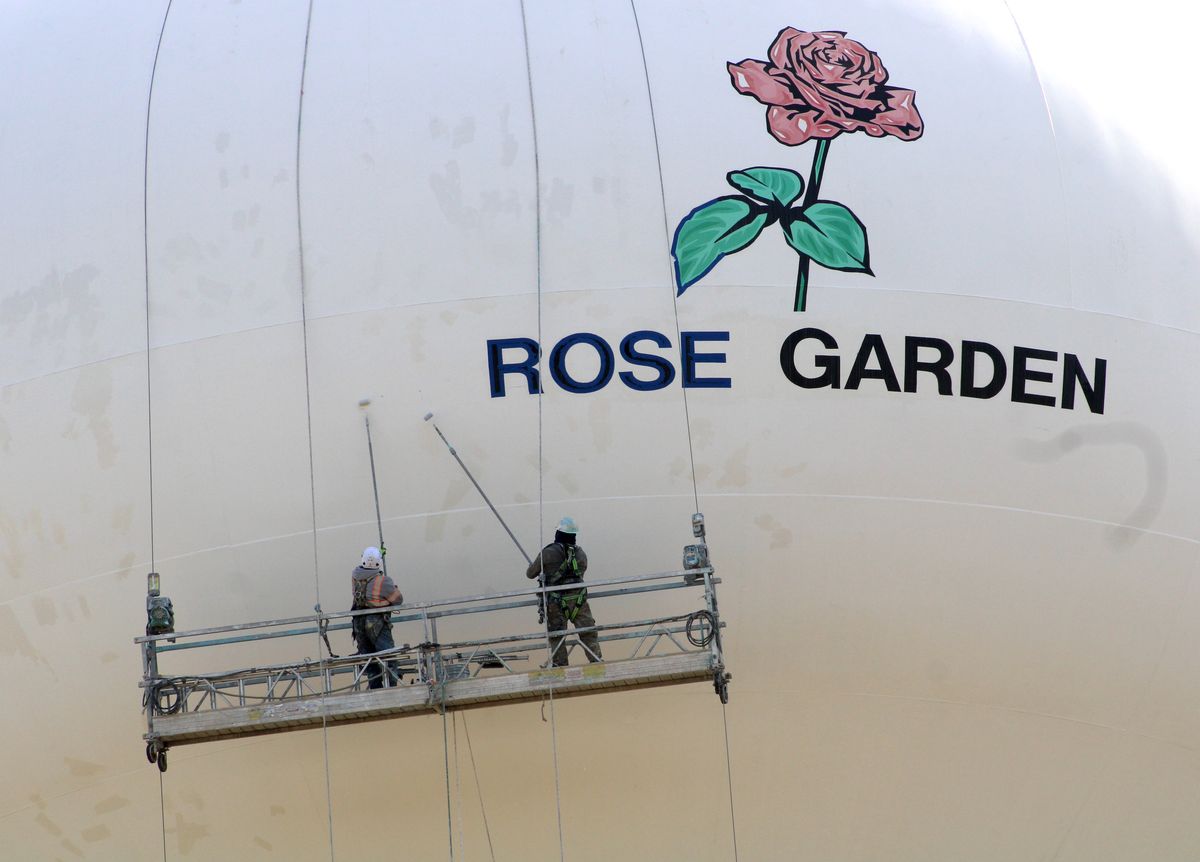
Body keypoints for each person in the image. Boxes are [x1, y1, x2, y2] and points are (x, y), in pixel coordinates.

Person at [525, 517, 602, 667]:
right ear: (574, 535)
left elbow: (530, 573)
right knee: (587, 632)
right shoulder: (580, 554)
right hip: (578, 600)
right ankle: (596, 661)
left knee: (557, 635)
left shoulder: (547, 553)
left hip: (556, 602)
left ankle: (560, 666)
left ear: (558, 533)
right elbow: (581, 573)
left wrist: (543, 569)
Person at [351, 546, 403, 689]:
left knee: (369, 657)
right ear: (379, 561)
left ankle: (375, 687)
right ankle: (390, 687)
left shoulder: (355, 576)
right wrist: (387, 599)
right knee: (387, 655)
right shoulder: (384, 581)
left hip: (358, 622)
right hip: (377, 622)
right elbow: (398, 600)